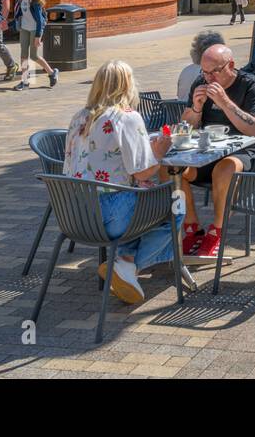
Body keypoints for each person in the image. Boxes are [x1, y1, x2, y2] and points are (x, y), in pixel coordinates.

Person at [63, 60, 180, 305]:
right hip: (111, 214)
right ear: (128, 86)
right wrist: (158, 153)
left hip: (75, 212)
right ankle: (128, 265)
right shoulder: (127, 117)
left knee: (140, 198)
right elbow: (142, 174)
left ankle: (124, 261)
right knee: (176, 206)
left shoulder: (79, 117)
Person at [178, 44, 255, 263]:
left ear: (230, 66)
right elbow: (185, 126)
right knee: (171, 168)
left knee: (224, 168)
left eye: (214, 72)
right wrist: (197, 108)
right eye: (204, 72)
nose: (208, 77)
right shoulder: (201, 83)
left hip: (242, 151)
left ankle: (216, 231)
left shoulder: (249, 84)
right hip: (208, 151)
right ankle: (192, 227)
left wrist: (225, 102)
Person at [10, 0, 57, 91]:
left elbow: (40, 21)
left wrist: (38, 36)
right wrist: (8, 24)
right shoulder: (20, 0)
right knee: (23, 55)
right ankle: (25, 81)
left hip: (35, 30)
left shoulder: (34, 1)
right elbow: (19, 16)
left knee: (34, 56)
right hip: (24, 29)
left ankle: (52, 73)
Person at [178, 29, 225, 102]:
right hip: (196, 110)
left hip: (176, 111)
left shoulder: (185, 70)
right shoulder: (212, 74)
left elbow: (179, 95)